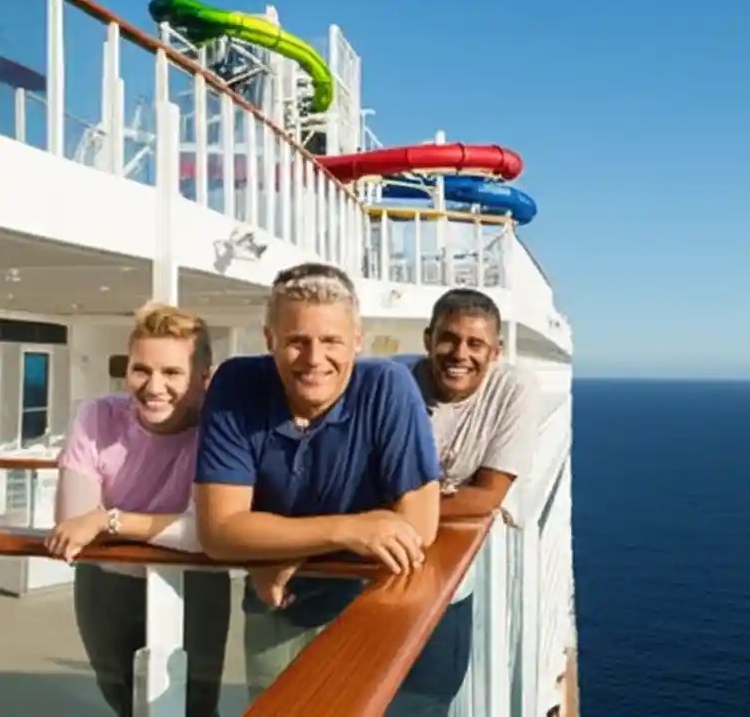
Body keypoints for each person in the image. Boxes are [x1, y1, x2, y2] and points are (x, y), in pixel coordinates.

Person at [191, 262, 442, 704]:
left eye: (331, 341)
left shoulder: (388, 388)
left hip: (376, 601)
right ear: (269, 340)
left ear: (357, 341)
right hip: (278, 605)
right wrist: (353, 528)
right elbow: (219, 531)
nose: (314, 359)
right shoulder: (237, 386)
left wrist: (282, 546)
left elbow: (417, 527)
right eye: (296, 342)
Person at [46, 303, 230, 717]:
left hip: (195, 585)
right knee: (125, 701)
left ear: (203, 379)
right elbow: (72, 520)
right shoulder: (98, 417)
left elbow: (209, 532)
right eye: (141, 370)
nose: (154, 386)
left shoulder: (219, 430)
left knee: (196, 706)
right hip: (106, 583)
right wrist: (169, 527)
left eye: (172, 373)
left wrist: (107, 520)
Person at [391, 287, 541, 714]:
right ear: (427, 339)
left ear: (495, 352)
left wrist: (392, 505)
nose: (460, 353)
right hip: (371, 570)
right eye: (449, 338)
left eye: (475, 344)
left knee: (425, 700)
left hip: (447, 578)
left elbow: (488, 496)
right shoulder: (395, 380)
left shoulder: (514, 389)